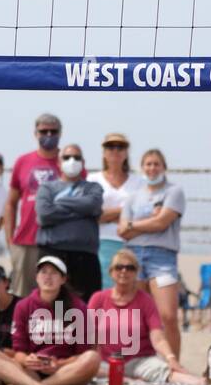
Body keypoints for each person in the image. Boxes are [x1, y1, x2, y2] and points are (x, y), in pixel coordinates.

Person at [88, 249, 203, 385]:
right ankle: (126, 379)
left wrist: (171, 359)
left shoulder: (145, 300)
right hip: (107, 362)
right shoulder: (98, 298)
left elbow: (158, 337)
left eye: (130, 268)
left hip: (140, 360)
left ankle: (207, 382)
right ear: (111, 272)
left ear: (136, 273)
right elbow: (88, 334)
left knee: (169, 374)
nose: (124, 271)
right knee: (87, 366)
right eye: (119, 267)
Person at [118, 148, 188, 358]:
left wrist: (134, 225)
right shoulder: (133, 197)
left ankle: (174, 364)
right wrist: (148, 222)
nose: (152, 168)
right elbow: (122, 231)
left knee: (167, 315)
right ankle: (138, 361)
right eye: (148, 164)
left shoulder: (174, 191)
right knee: (136, 315)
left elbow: (162, 222)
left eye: (156, 163)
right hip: (134, 257)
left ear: (164, 167)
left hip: (163, 258)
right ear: (142, 168)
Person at [6, 256, 102, 385]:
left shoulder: (78, 307)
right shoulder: (23, 306)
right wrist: (27, 360)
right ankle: (36, 384)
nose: (48, 277)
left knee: (93, 358)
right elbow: (19, 351)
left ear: (63, 279)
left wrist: (59, 364)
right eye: (44, 272)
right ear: (36, 277)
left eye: (54, 273)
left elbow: (83, 353)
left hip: (65, 371)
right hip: (33, 370)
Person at [34, 144, 103, 300]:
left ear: (83, 163)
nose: (72, 161)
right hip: (52, 252)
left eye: (77, 157)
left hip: (85, 257)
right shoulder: (47, 188)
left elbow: (92, 205)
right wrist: (81, 211)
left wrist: (59, 204)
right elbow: (45, 214)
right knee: (51, 304)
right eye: (67, 157)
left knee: (85, 307)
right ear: (59, 162)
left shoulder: (93, 188)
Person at [7, 113, 63, 299]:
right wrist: (10, 241)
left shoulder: (68, 162)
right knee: (22, 297)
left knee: (54, 298)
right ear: (35, 133)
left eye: (53, 131)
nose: (48, 135)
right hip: (25, 241)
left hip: (57, 241)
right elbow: (11, 203)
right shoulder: (23, 162)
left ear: (60, 133)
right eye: (43, 131)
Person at [95, 133, 137, 289]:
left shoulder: (139, 182)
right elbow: (91, 215)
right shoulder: (93, 180)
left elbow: (144, 215)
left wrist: (107, 215)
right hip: (100, 244)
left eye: (120, 147)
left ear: (126, 152)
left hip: (131, 245)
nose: (115, 150)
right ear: (104, 152)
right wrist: (125, 211)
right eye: (110, 147)